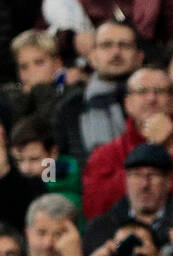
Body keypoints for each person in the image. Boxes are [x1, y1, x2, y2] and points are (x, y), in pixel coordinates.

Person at [80, 66, 173, 220]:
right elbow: (93, 207)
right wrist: (142, 163)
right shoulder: (105, 154)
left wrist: (171, 149)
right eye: (142, 92)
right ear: (128, 104)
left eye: (159, 91)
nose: (151, 99)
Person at [52, 21, 142, 166]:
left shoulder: (155, 99)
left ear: (139, 57)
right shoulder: (70, 106)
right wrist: (49, 183)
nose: (116, 53)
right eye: (107, 45)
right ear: (92, 57)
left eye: (124, 45)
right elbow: (53, 158)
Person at [81, 143, 173, 252]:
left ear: (169, 181)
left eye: (153, 175)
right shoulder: (99, 229)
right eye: (136, 175)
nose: (144, 184)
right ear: (126, 179)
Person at [9, 117, 83, 216]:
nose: (25, 168)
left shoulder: (69, 179)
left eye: (34, 159)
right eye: (19, 160)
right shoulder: (22, 180)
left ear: (53, 153)